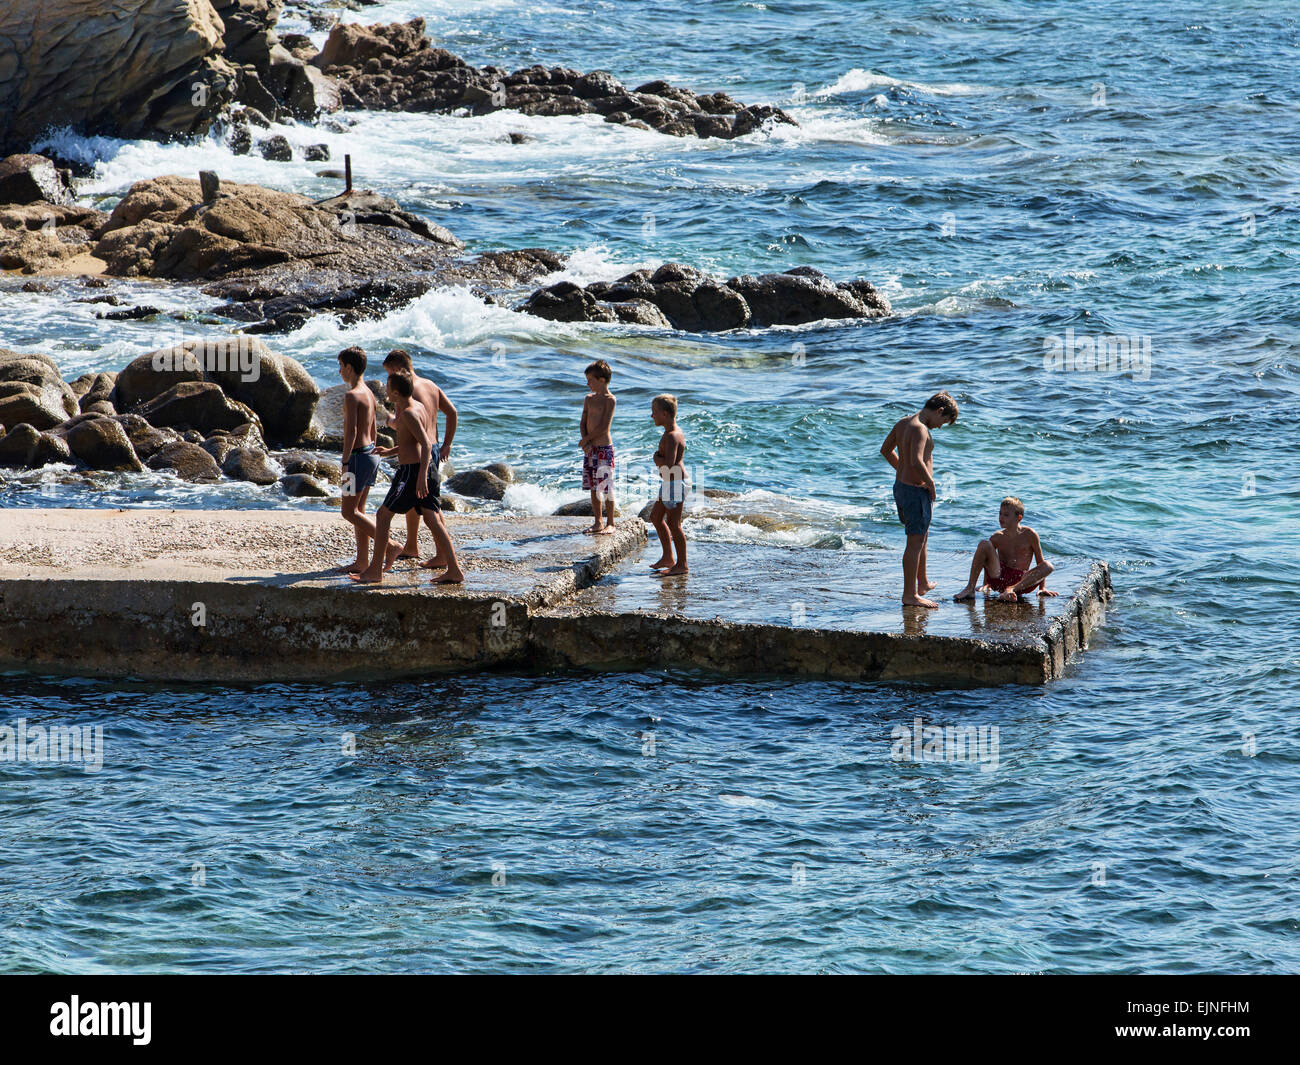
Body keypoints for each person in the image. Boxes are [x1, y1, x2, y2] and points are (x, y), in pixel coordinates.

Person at [352, 373, 465, 586]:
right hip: (426, 469)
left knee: (383, 515)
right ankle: (455, 570)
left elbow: (427, 444)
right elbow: (413, 442)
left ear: (395, 392)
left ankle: (375, 570)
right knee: (432, 519)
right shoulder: (417, 407)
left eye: (387, 386)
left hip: (413, 473)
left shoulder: (410, 414)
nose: (385, 389)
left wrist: (421, 477)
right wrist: (390, 451)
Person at [879, 391, 959, 608]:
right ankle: (910, 595)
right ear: (940, 411)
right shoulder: (921, 429)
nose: (941, 427)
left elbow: (885, 451)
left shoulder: (903, 423)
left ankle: (922, 582)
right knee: (914, 542)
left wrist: (903, 472)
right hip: (915, 492)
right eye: (944, 421)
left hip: (902, 488)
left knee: (921, 534)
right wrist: (930, 483)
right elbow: (916, 460)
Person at [381, 349, 457, 568]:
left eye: (389, 373)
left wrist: (389, 422)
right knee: (425, 504)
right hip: (433, 447)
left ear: (397, 368)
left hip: (419, 451)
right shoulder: (431, 385)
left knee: (426, 506)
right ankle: (414, 546)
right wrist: (446, 444)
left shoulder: (405, 390)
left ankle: (438, 553)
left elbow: (405, 422)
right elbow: (452, 412)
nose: (389, 379)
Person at [954, 496, 1058, 602]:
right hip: (999, 578)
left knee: (1048, 566)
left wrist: (1042, 588)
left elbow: (1040, 562)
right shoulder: (997, 537)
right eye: (1000, 514)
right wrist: (985, 583)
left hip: (1021, 582)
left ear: (1019, 517)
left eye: (1006, 515)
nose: (1001, 517)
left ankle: (1011, 590)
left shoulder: (1030, 535)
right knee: (984, 544)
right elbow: (987, 561)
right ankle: (970, 588)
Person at [337, 347, 381, 574]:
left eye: (341, 366)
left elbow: (351, 432)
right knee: (359, 510)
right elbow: (373, 430)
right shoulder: (369, 393)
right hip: (370, 456)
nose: (339, 371)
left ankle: (389, 545)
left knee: (348, 512)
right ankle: (362, 561)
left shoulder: (351, 395)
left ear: (350, 368)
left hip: (355, 459)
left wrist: (344, 462)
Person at [648, 394, 688, 577]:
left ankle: (682, 564)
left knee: (674, 523)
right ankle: (667, 557)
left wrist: (656, 458)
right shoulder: (670, 433)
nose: (652, 416)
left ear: (665, 414)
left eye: (654, 412)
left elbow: (670, 465)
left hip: (676, 481)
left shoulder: (672, 436)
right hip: (670, 481)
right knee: (656, 517)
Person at [579, 359, 617, 535]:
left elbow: (604, 427)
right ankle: (597, 522)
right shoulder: (588, 399)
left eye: (590, 380)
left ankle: (610, 522)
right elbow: (583, 421)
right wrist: (585, 441)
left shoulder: (610, 400)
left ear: (601, 380)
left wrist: (587, 438)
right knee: (593, 487)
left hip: (603, 449)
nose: (587, 384)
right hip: (590, 449)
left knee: (606, 486)